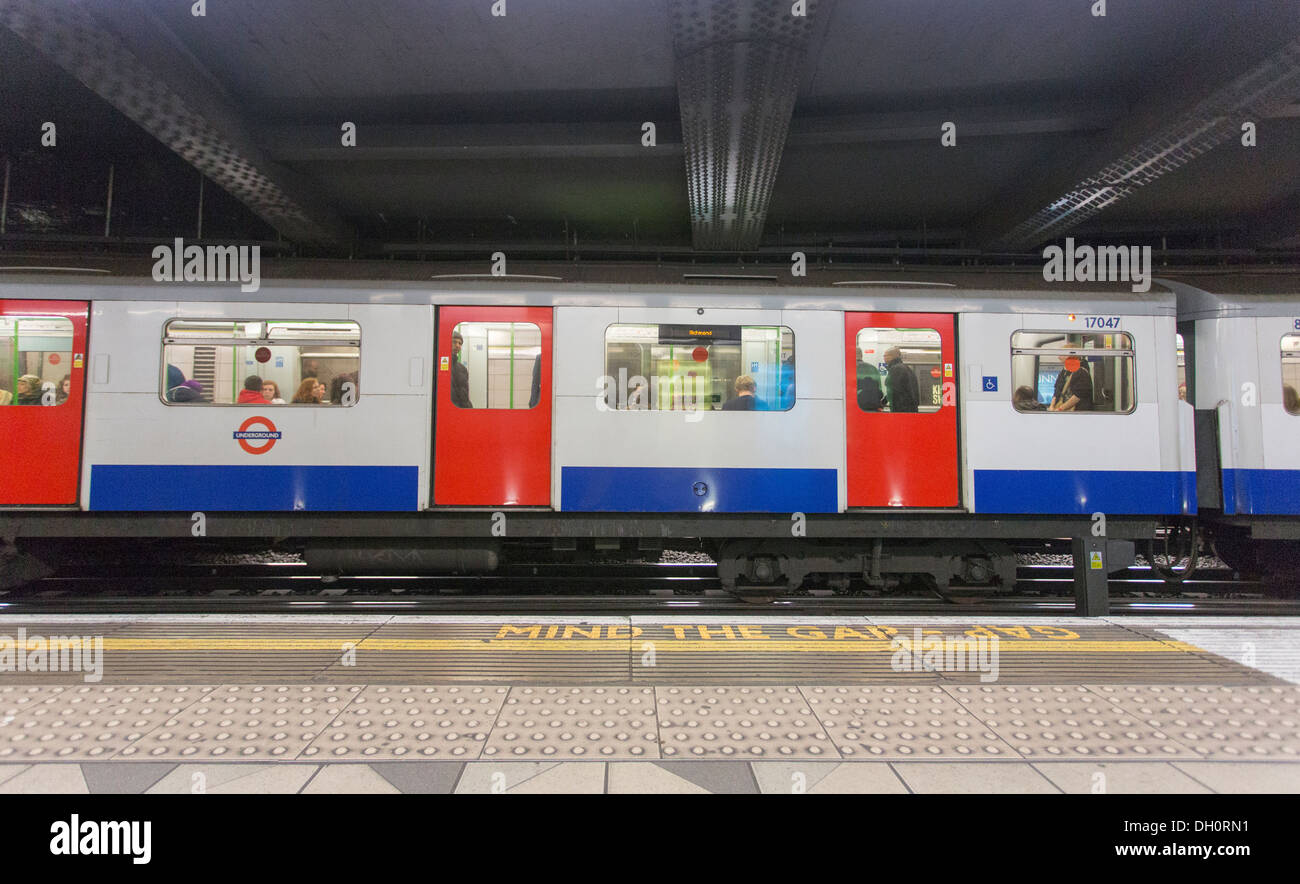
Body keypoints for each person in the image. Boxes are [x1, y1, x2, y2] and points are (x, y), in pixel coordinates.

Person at [882, 347, 919, 413]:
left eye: (885, 355)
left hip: (901, 410)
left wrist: (882, 403)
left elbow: (893, 390)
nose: (884, 358)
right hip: (910, 409)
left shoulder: (896, 369)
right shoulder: (907, 368)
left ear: (891, 356)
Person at [450, 330, 471, 407]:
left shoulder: (462, 369)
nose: (457, 345)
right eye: (454, 342)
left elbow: (464, 395)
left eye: (460, 343)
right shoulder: (438, 366)